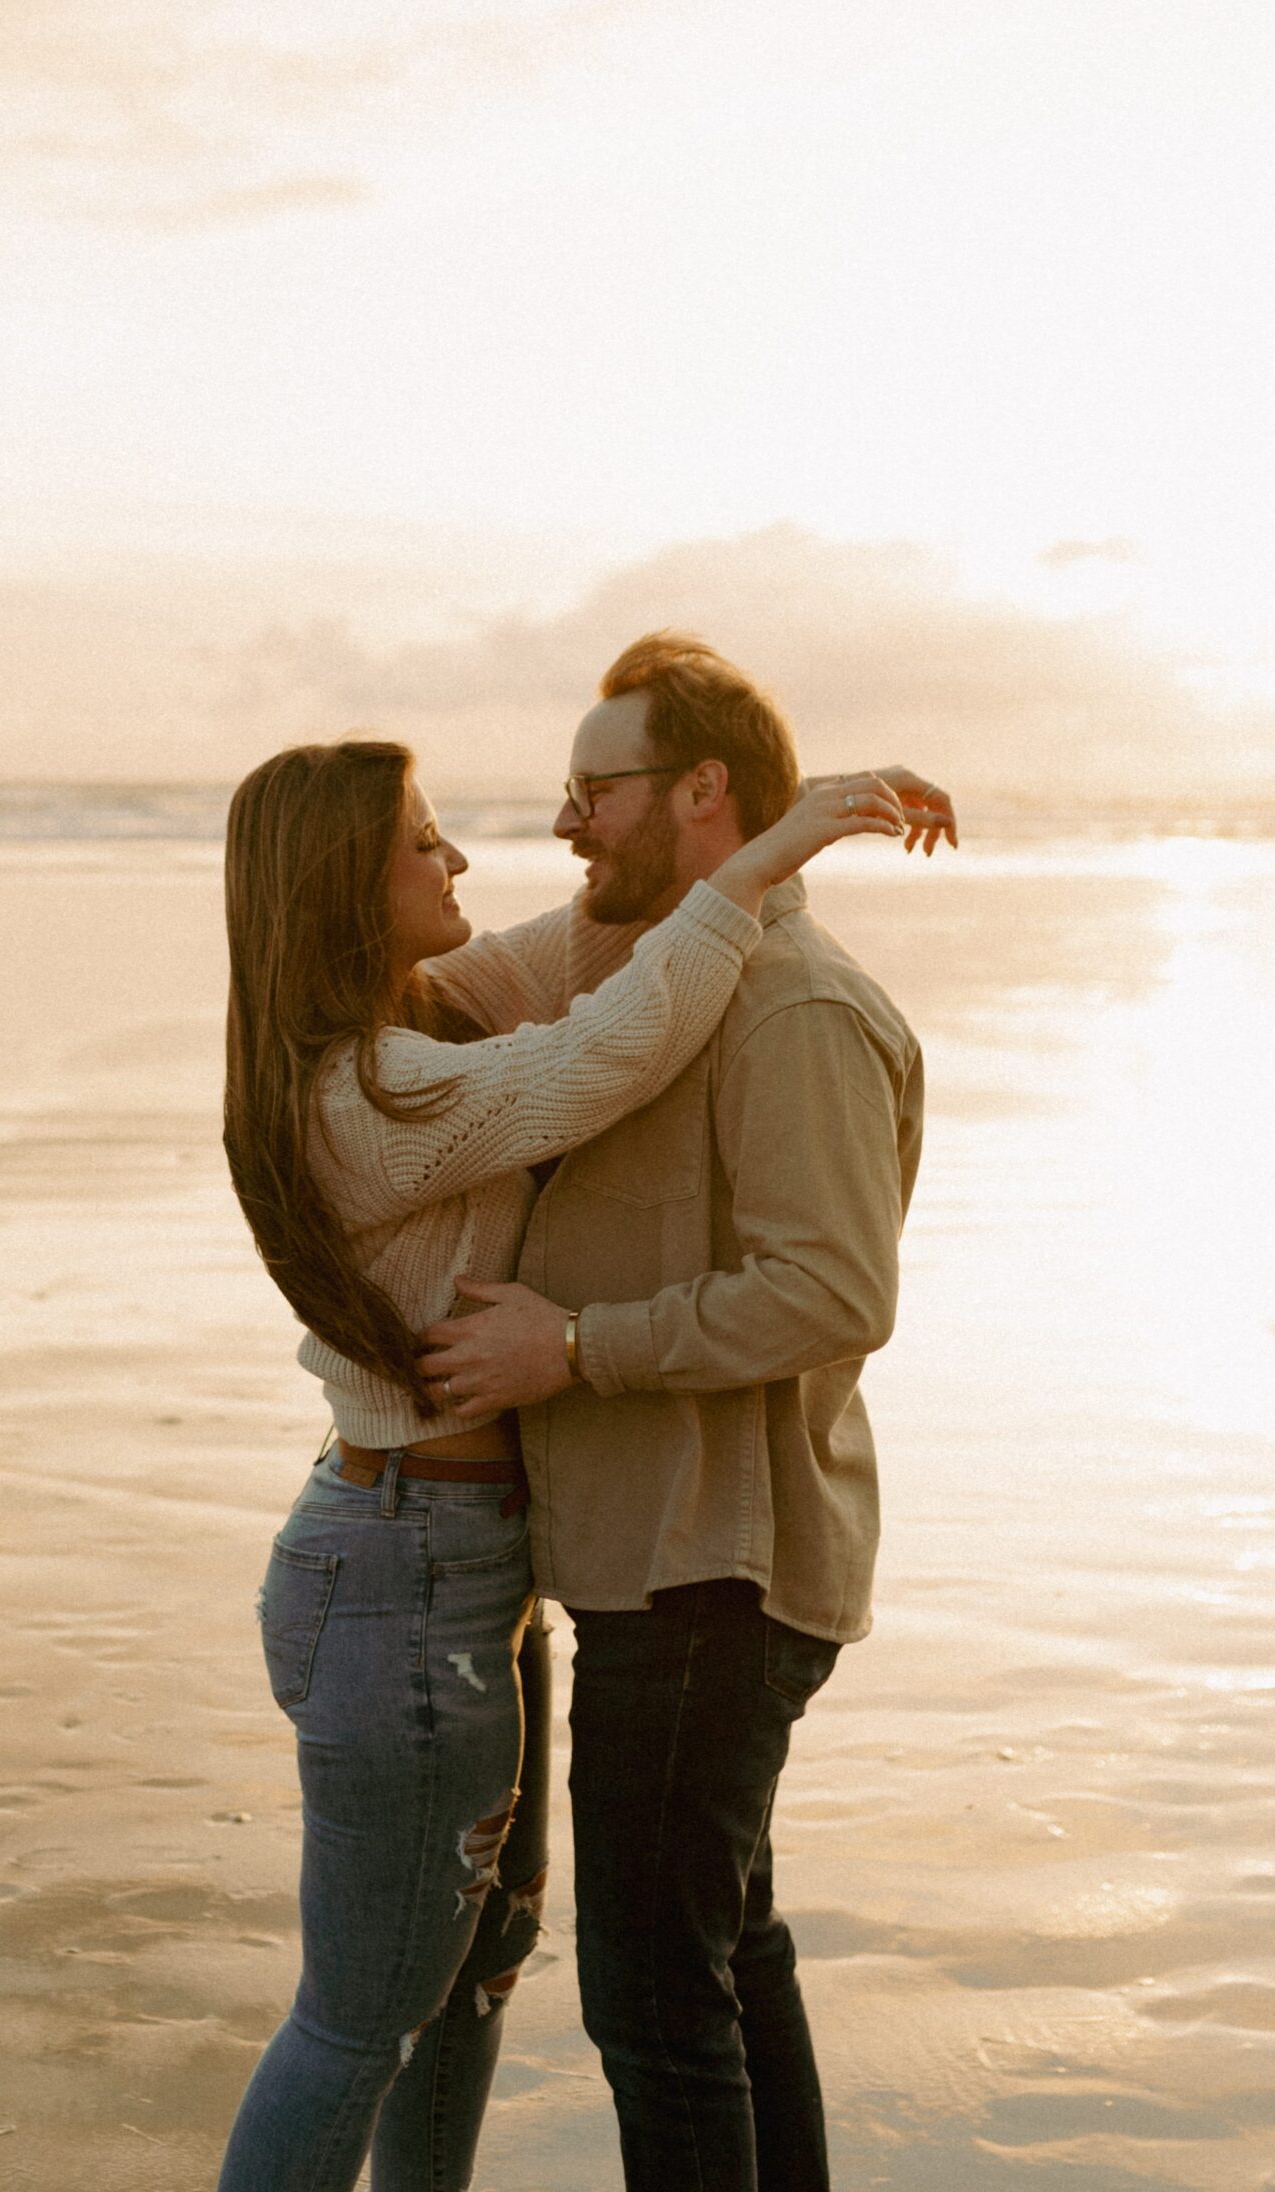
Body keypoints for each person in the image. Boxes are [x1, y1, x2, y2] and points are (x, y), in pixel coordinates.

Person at [216, 735, 925, 2192]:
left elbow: (608, 933)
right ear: (353, 887)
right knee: (360, 2017)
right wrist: (749, 855)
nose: (462, 859)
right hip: (402, 1570)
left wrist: (734, 847)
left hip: (461, 1567)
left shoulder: (420, 1016)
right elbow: (607, 1049)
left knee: (475, 1973)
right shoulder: (379, 1094)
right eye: (424, 843)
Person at [418, 631, 941, 2192]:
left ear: (700, 792)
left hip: (718, 1558)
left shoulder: (791, 1006)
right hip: (658, 1551)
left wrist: (572, 1348)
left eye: (593, 791)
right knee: (723, 1955)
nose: (564, 824)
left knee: (655, 2001)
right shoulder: (641, 956)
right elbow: (427, 985)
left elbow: (834, 1291)